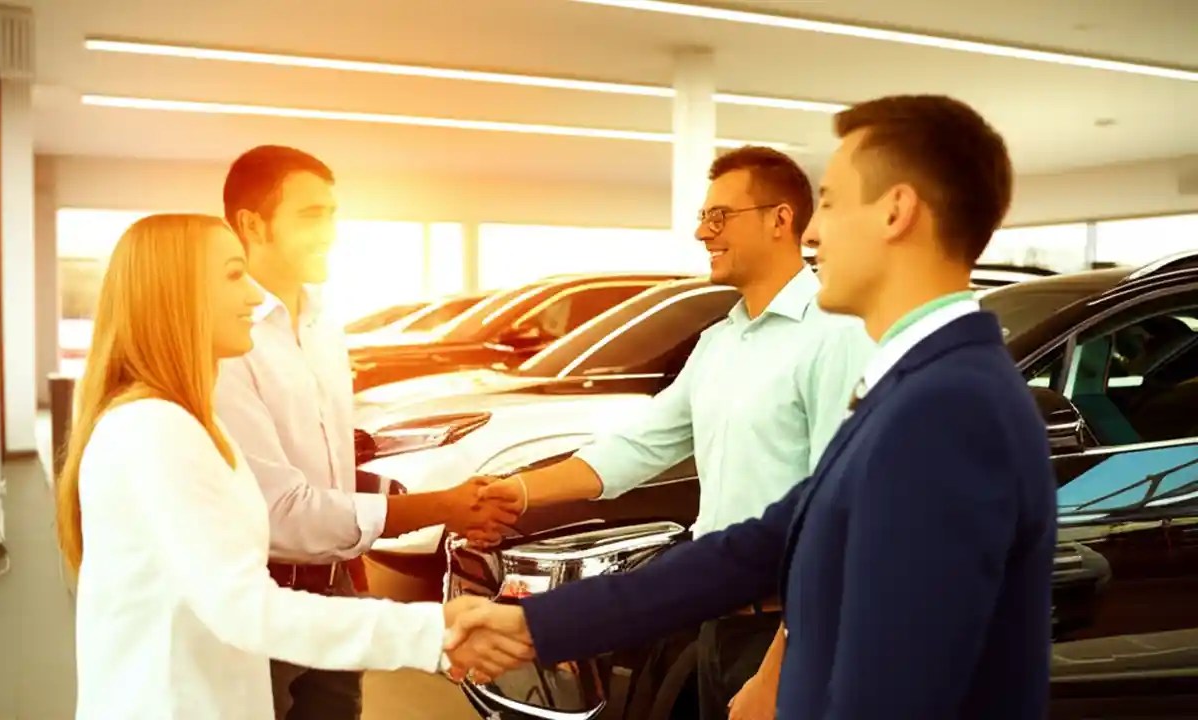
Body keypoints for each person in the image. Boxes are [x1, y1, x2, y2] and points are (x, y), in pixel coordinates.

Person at [445, 94, 1058, 720]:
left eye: (833, 202)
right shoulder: (912, 387)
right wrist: (537, 624)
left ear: (897, 211)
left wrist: (780, 674)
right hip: (737, 633)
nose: (814, 231)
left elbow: (894, 679)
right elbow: (759, 546)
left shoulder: (947, 409)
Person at [54, 214, 531, 720]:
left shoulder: (182, 421)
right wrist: (431, 632)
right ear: (176, 294)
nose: (255, 299)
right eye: (235, 275)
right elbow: (244, 607)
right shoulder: (158, 429)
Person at [474, 145, 872, 719]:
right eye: (702, 218)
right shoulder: (723, 341)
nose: (702, 233)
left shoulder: (837, 335)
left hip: (790, 635)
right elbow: (640, 446)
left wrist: (781, 669)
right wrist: (520, 491)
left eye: (719, 217)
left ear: (782, 219)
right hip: (719, 627)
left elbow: (841, 518)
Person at [215, 145, 515, 720]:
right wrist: (438, 507)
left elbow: (327, 462)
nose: (329, 231)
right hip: (262, 595)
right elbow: (282, 510)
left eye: (331, 213)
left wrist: (361, 553)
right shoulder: (230, 340)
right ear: (252, 224)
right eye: (310, 215)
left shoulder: (325, 320)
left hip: (335, 586)